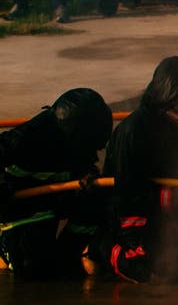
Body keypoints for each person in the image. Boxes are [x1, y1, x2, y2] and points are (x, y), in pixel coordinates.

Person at [100, 56, 178, 283]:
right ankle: (98, 249)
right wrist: (177, 197)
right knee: (154, 273)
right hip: (132, 219)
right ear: (167, 100)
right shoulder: (134, 131)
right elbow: (127, 197)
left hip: (169, 218)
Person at [0, 88, 111, 279]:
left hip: (55, 203)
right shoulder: (25, 140)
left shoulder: (81, 139)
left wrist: (88, 176)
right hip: (22, 211)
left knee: (98, 200)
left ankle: (69, 256)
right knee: (31, 269)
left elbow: (85, 165)